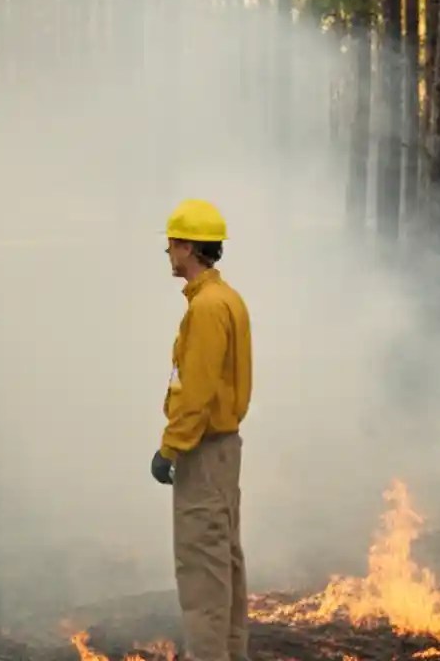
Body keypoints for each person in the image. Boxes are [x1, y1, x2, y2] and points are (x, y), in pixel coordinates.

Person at [150, 199, 253, 661]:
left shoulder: (207, 308)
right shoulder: (226, 298)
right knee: (224, 563)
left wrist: (170, 448)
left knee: (202, 572)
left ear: (188, 247)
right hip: (223, 449)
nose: (168, 252)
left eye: (172, 243)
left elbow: (197, 389)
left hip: (204, 452)